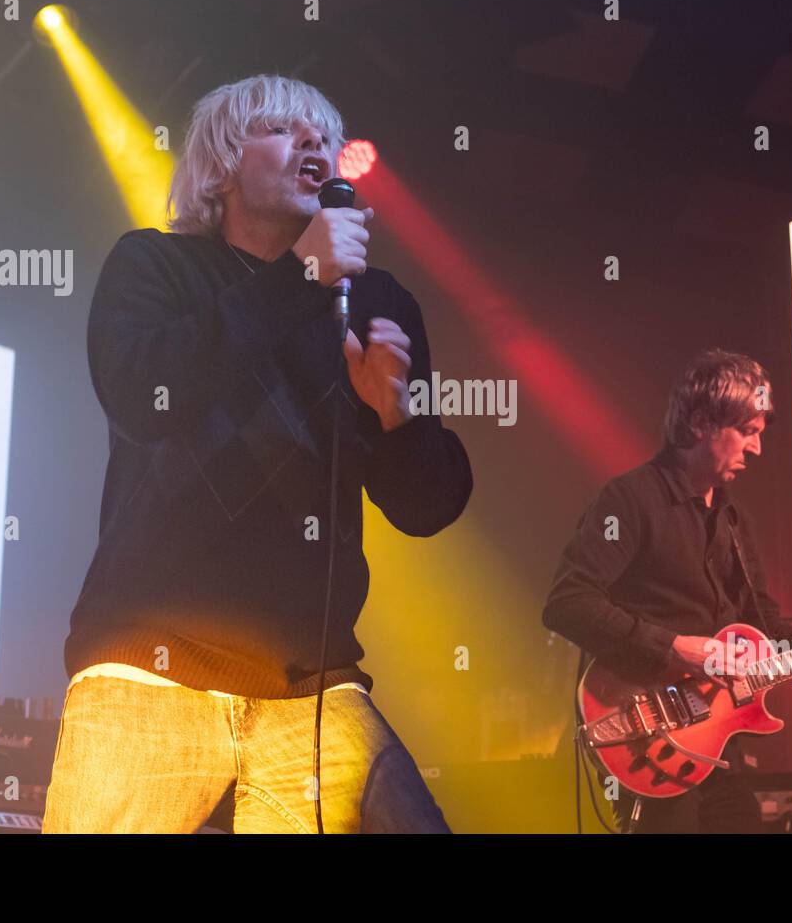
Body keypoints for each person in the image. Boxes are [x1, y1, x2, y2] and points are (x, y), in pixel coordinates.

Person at [43, 74, 472, 833]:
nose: (314, 142)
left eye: (323, 135)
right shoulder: (157, 268)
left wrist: (399, 418)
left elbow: (425, 509)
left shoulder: (379, 304)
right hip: (151, 661)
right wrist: (299, 276)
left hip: (315, 682)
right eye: (282, 129)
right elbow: (146, 395)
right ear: (220, 165)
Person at [543, 349, 792, 833]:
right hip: (646, 735)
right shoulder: (630, 500)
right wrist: (676, 647)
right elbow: (567, 603)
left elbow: (774, 638)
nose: (757, 449)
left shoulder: (733, 521)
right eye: (748, 431)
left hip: (717, 753)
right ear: (704, 423)